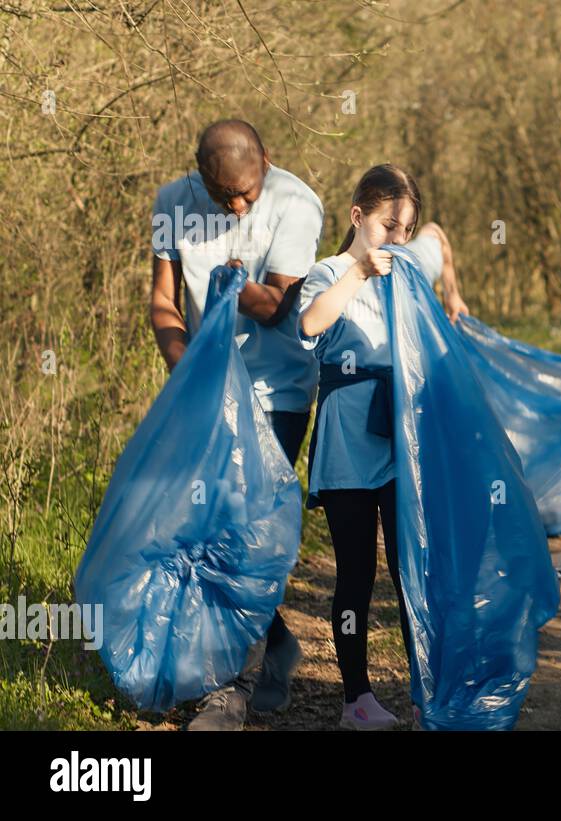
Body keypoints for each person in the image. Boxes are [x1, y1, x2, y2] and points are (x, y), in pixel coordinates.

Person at [149, 119, 323, 730]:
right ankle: (271, 644)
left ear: (266, 162)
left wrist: (232, 286)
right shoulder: (172, 202)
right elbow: (164, 299)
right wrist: (189, 369)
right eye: (226, 197)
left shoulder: (296, 204)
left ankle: (229, 689)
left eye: (247, 192)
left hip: (277, 393)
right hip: (206, 392)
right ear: (201, 177)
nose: (240, 205)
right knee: (210, 525)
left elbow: (277, 310)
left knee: (243, 528)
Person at [297, 164, 467, 730]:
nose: (397, 238)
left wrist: (452, 293)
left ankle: (425, 691)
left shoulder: (405, 271)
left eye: (404, 229)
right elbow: (311, 323)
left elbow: (438, 238)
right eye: (387, 225)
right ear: (357, 217)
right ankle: (356, 699)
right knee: (356, 573)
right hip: (348, 438)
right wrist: (359, 272)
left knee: (411, 566)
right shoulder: (328, 271)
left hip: (401, 435)